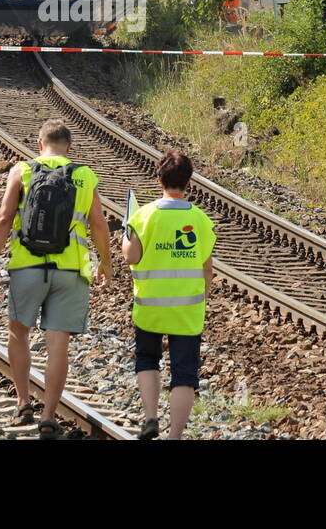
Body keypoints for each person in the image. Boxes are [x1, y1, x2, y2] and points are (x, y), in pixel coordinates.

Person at [0, 119, 111, 439]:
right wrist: (106, 264)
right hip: (70, 272)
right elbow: (98, 225)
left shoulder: (21, 171)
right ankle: (49, 416)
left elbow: (3, 218)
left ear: (40, 144)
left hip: (27, 267)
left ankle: (24, 402)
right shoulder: (84, 175)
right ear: (69, 147)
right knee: (58, 345)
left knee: (18, 332)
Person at [122, 150, 216, 440]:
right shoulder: (201, 220)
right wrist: (202, 297)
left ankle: (151, 417)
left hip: (150, 306)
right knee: (185, 374)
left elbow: (131, 257)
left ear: (159, 178)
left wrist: (124, 238)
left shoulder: (144, 215)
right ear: (188, 182)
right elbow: (207, 269)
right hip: (187, 311)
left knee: (148, 359)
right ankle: (174, 435)